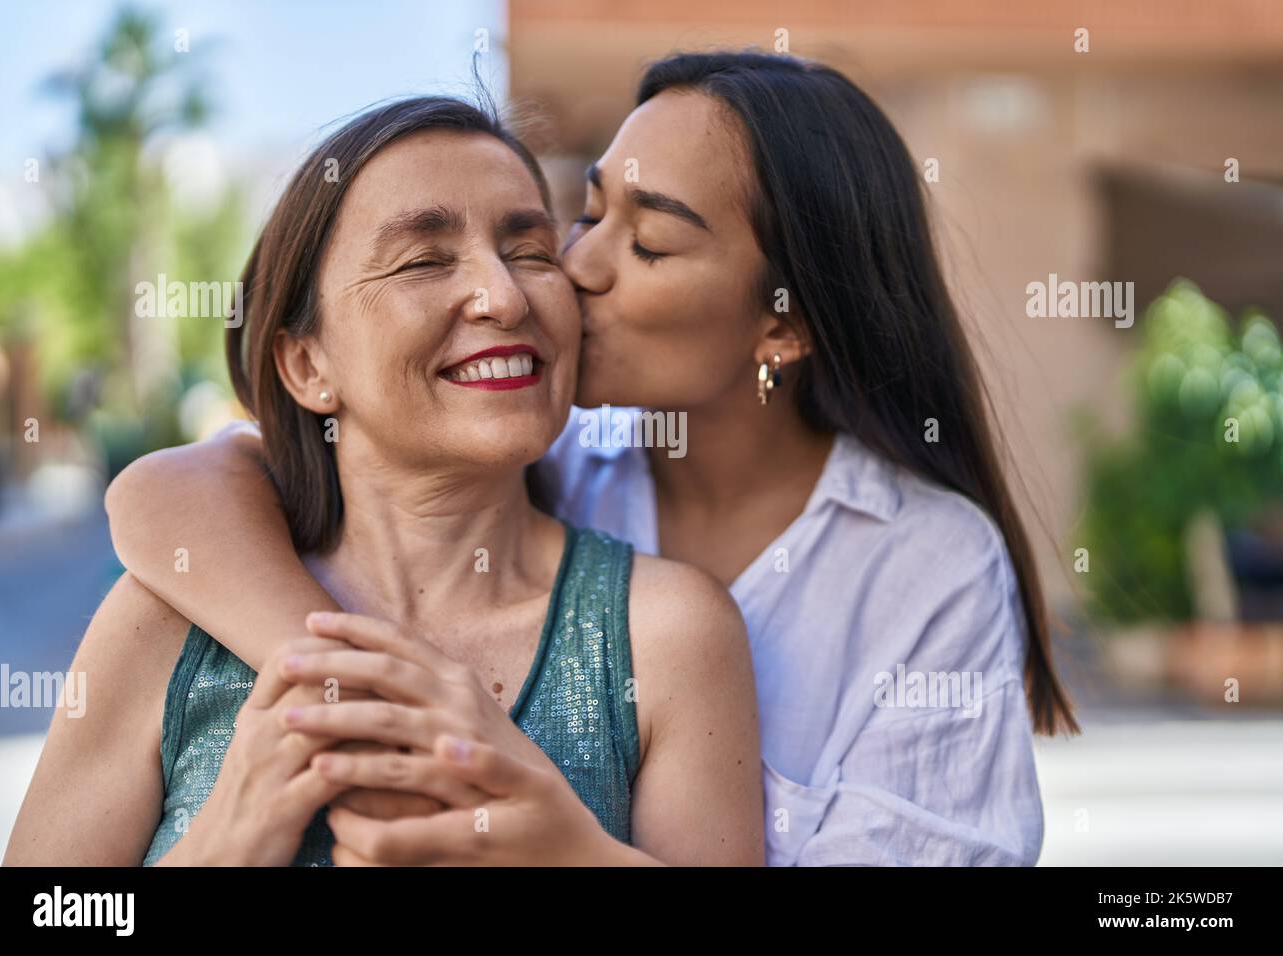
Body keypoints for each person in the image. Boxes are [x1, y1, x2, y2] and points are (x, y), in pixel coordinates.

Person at [105, 52, 1077, 866]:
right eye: (587, 212)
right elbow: (168, 490)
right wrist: (339, 685)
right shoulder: (546, 444)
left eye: (648, 241)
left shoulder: (920, 568)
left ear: (780, 328)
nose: (572, 267)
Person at [3, 95, 762, 867]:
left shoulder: (666, 635)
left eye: (530, 250)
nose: (503, 296)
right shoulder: (164, 623)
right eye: (425, 260)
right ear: (307, 364)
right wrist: (220, 848)